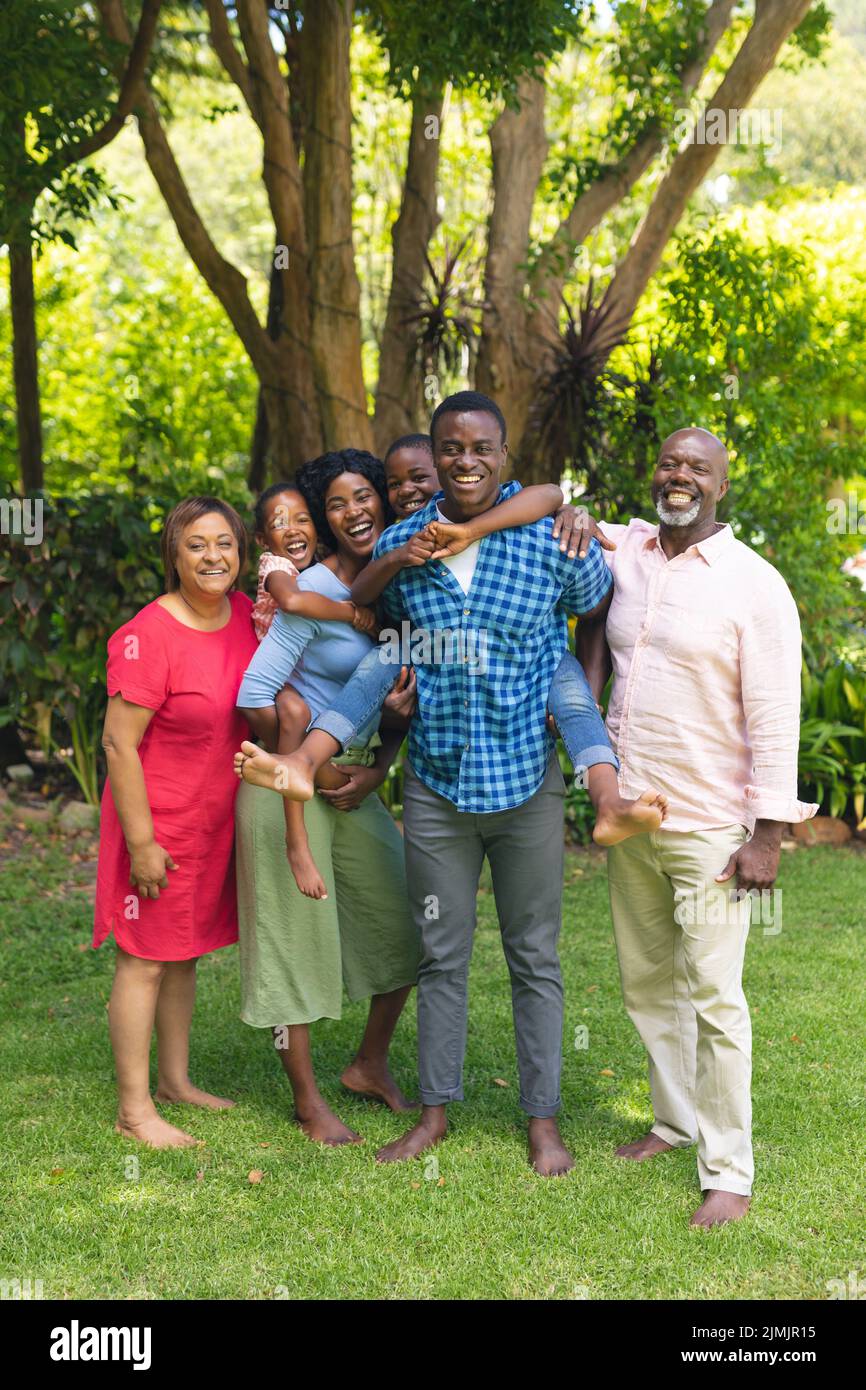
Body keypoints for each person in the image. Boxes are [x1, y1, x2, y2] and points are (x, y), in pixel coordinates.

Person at [238, 391, 646, 1175]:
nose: (465, 461)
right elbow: (384, 656)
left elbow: (596, 613)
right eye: (450, 448)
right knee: (440, 955)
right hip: (437, 790)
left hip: (527, 785)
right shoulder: (400, 547)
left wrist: (581, 696)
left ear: (503, 456)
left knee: (534, 957)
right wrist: (311, 753)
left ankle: (543, 1121)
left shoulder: (551, 540)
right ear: (435, 453)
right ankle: (433, 1114)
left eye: (480, 448)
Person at [576, 427, 818, 1226]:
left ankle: (730, 1170)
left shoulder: (754, 585)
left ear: (721, 485)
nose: (681, 476)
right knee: (648, 983)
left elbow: (776, 714)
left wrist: (767, 834)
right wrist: (573, 514)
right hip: (631, 814)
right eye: (671, 463)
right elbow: (552, 515)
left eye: (698, 468)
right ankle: (674, 1122)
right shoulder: (630, 551)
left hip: (713, 823)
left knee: (715, 996)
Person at [233, 450, 420, 1147]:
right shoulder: (307, 590)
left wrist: (375, 760)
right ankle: (308, 1102)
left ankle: (369, 1065)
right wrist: (297, 750)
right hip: (288, 789)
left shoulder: (395, 586)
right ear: (325, 519)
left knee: (405, 921)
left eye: (364, 496)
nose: (355, 512)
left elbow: (390, 700)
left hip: (351, 788)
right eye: (337, 504)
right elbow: (256, 692)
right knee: (294, 945)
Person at [93, 497, 258, 1148]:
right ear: (173, 555)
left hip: (213, 822)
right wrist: (141, 842)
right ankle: (135, 1111)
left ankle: (176, 1082)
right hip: (157, 822)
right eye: (196, 544)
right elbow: (116, 745)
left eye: (225, 543)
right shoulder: (148, 636)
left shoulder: (246, 615)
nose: (213, 556)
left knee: (181, 957)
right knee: (143, 961)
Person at [239, 482, 378, 900]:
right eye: (280, 523)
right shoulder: (276, 567)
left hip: (292, 683)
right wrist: (351, 613)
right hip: (280, 687)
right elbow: (296, 604)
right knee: (295, 714)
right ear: (264, 539)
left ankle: (301, 771)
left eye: (303, 519)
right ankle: (296, 843)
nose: (293, 529)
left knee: (298, 715)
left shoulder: (315, 568)